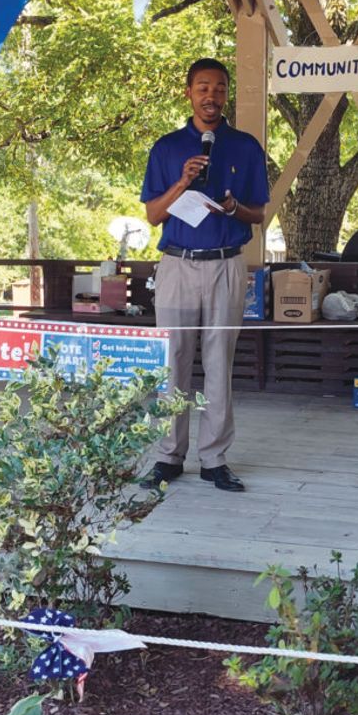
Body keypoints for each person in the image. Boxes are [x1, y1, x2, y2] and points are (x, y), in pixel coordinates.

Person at [140, 58, 269, 493]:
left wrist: (235, 208)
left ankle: (214, 459)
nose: (211, 96)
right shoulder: (167, 148)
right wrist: (182, 182)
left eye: (218, 88)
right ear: (189, 92)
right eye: (202, 88)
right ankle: (167, 456)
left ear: (226, 94)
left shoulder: (245, 146)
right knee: (172, 362)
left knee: (219, 363)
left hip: (227, 264)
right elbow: (153, 215)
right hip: (177, 263)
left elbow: (260, 214)